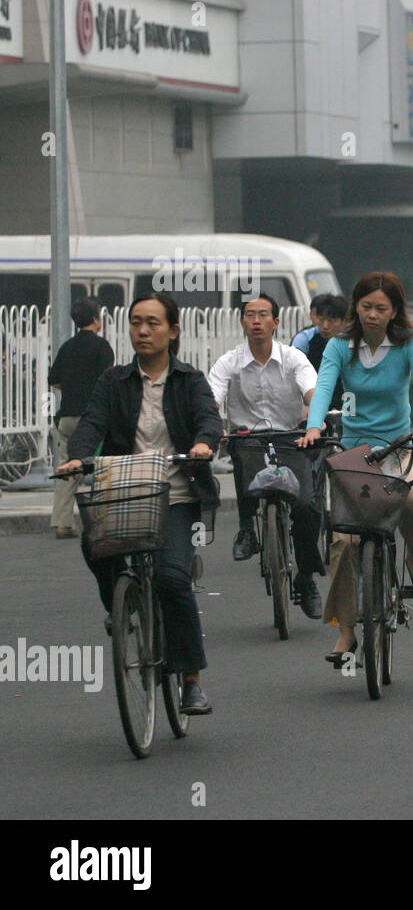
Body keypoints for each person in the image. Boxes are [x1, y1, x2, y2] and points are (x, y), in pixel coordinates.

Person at [57, 291, 221, 715]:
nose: (143, 330)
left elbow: (208, 417)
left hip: (178, 495)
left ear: (172, 330)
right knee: (95, 546)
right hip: (124, 491)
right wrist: (78, 455)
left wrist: (204, 443)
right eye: (135, 322)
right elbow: (92, 421)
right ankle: (121, 601)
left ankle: (191, 680)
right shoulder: (113, 380)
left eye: (152, 322)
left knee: (171, 580)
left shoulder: (190, 380)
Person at [299, 272, 413, 665]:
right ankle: (346, 630)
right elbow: (325, 385)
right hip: (353, 450)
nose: (373, 315)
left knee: (412, 502)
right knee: (344, 542)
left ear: (394, 310)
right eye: (366, 307)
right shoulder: (340, 345)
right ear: (355, 307)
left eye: (381, 308)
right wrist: (314, 426)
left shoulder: (408, 344)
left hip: (396, 446)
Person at [208, 294, 324, 617]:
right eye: (249, 315)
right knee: (244, 457)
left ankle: (306, 578)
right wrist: (212, 426)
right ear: (243, 322)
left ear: (275, 322)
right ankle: (247, 528)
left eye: (263, 315)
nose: (256, 320)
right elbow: (211, 399)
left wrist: (315, 421)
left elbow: (313, 391)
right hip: (248, 439)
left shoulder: (294, 359)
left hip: (290, 438)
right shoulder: (228, 362)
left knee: (306, 505)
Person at [48, 297, 115, 539]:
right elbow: (108, 382)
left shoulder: (66, 347)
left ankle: (62, 522)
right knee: (101, 470)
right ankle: (101, 522)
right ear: (97, 319)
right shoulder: (102, 347)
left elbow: (53, 380)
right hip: (93, 419)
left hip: (67, 417)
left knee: (67, 470)